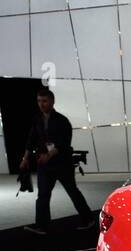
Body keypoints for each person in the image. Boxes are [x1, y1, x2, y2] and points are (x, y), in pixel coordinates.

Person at [20, 87, 94, 235]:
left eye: (44, 101)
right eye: (39, 101)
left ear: (52, 102)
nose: (41, 104)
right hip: (46, 166)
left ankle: (88, 219)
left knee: (72, 191)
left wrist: (48, 155)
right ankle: (42, 226)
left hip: (62, 164)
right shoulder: (37, 120)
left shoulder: (62, 121)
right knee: (43, 195)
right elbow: (31, 140)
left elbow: (63, 143)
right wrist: (25, 158)